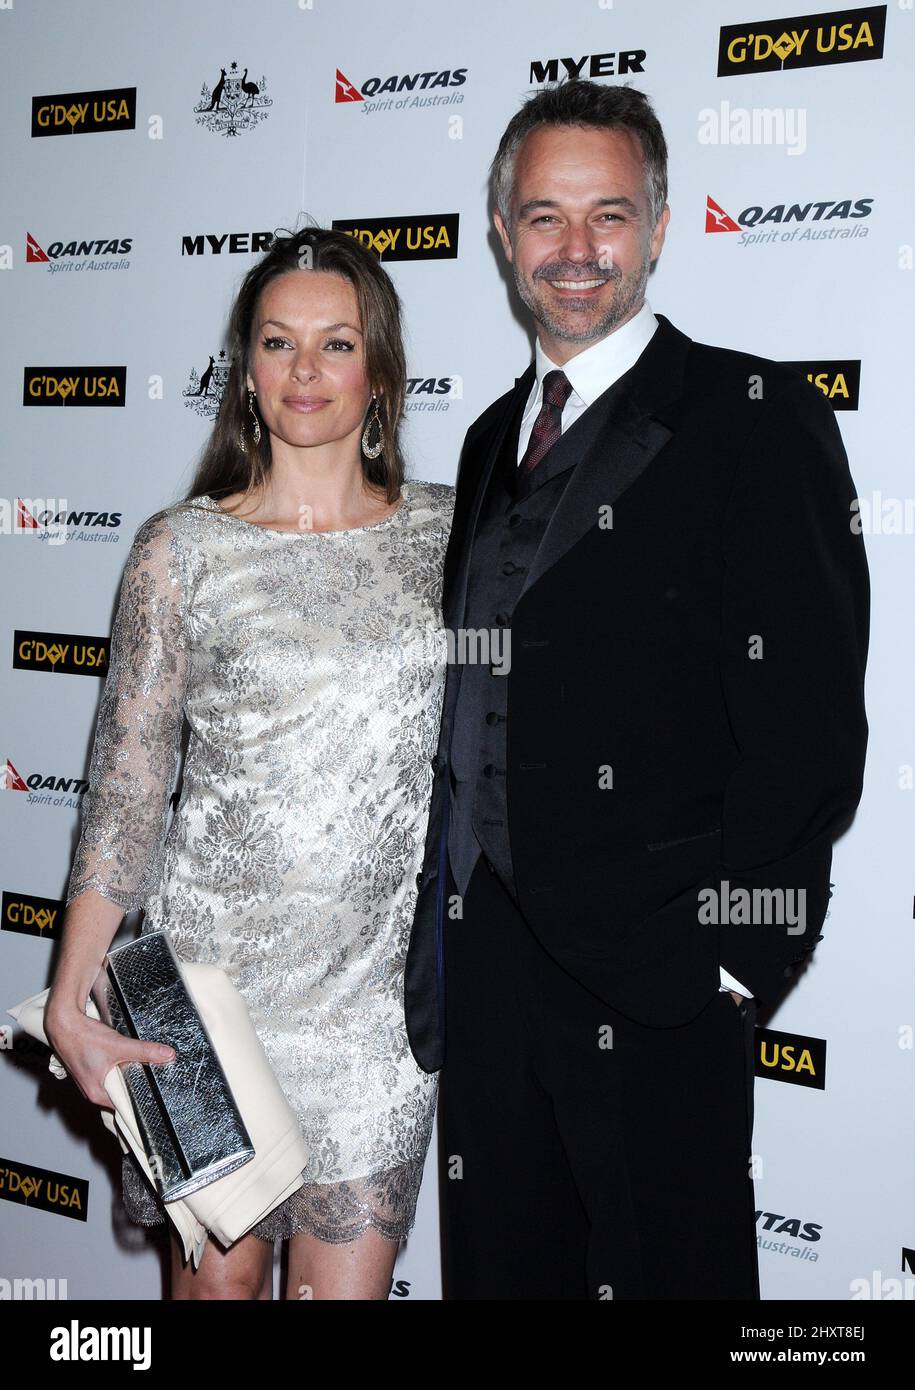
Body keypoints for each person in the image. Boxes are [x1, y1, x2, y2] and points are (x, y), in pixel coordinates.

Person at [404, 79, 870, 1299]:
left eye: (607, 215)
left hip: (662, 979)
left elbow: (810, 729)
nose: (576, 249)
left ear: (659, 226)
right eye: (544, 216)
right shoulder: (489, 436)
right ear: (501, 231)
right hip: (488, 970)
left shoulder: (754, 416)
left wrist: (732, 966)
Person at [45, 226, 456, 1300]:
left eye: (336, 343)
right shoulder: (179, 549)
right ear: (245, 368)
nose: (305, 370)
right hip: (207, 996)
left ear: (380, 371)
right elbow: (127, 789)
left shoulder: (450, 538)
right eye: (278, 342)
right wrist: (71, 992)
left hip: (374, 1012)